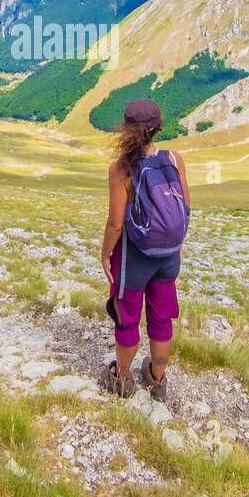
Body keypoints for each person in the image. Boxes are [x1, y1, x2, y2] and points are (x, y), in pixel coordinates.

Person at [98, 99, 190, 401]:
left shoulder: (121, 170)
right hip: (168, 256)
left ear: (126, 129)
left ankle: (122, 379)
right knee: (162, 319)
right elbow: (185, 207)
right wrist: (176, 246)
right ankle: (157, 378)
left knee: (127, 317)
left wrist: (105, 254)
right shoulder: (175, 159)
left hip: (134, 258)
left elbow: (115, 224)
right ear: (158, 127)